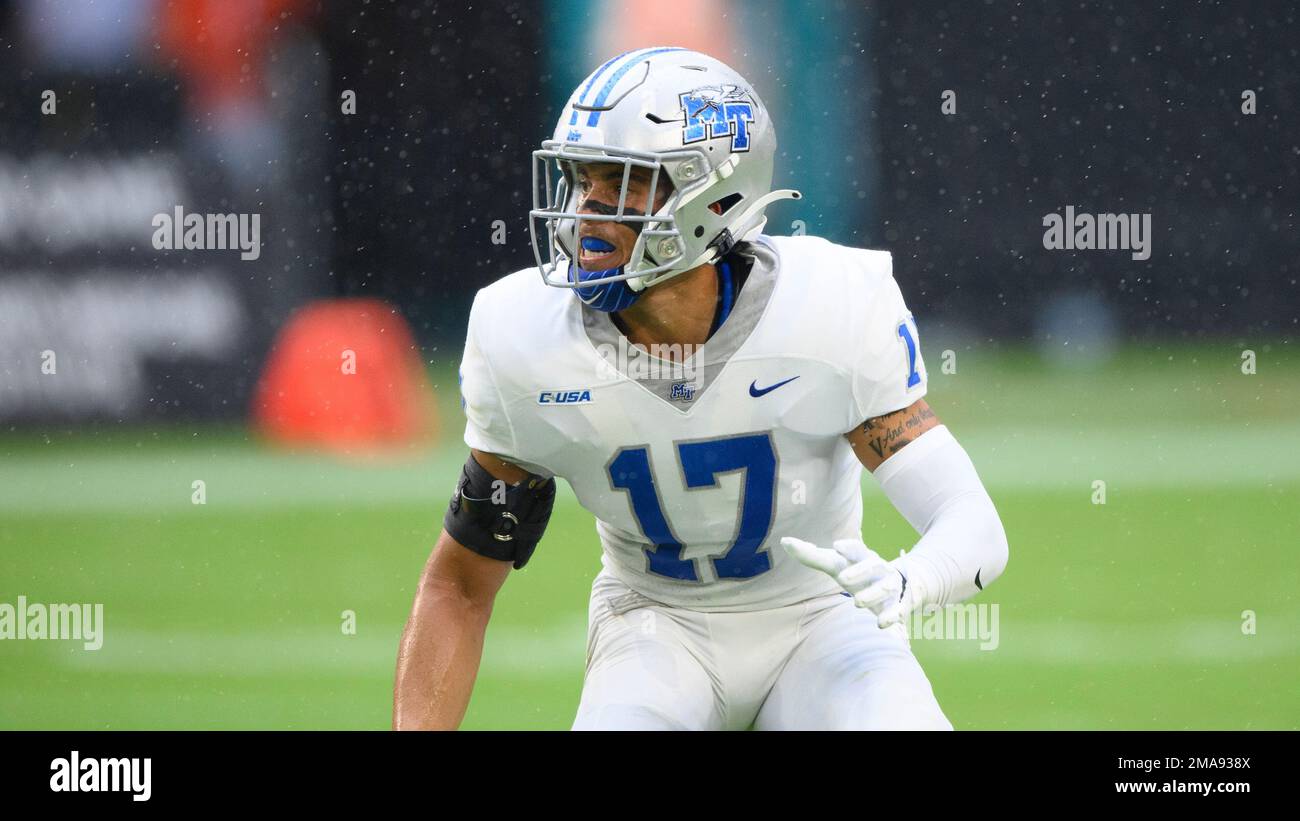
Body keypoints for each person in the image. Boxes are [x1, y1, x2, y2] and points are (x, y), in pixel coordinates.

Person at [393, 47, 1009, 730]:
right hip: (654, 630)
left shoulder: (829, 306)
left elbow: (973, 524)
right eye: (581, 180)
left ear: (713, 197)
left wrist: (907, 581)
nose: (588, 212)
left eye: (623, 184)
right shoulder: (526, 338)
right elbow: (460, 583)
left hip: (821, 619)